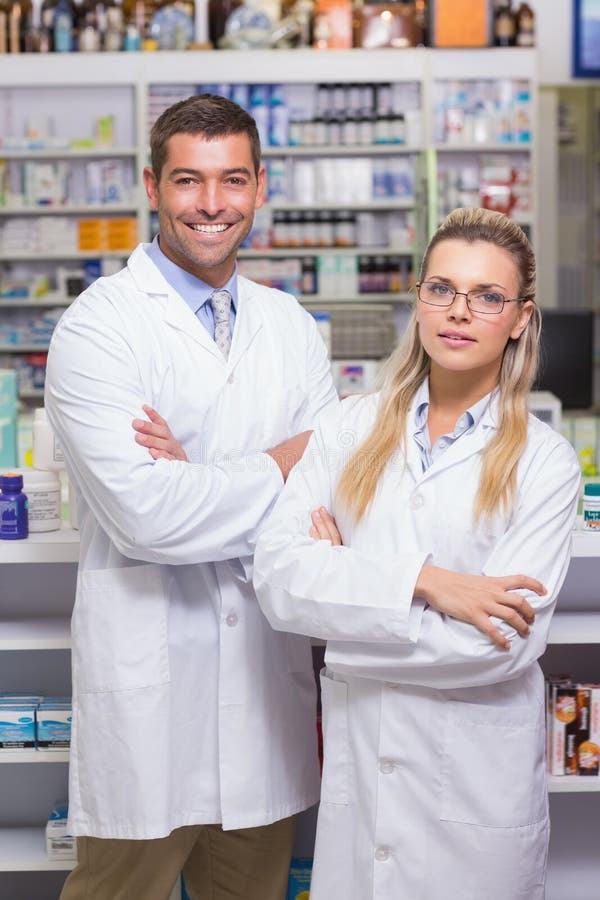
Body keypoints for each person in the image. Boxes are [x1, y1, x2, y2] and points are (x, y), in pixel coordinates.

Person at [44, 93, 337, 900]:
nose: (212, 205)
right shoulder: (98, 328)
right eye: (189, 181)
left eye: (232, 180)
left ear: (259, 186)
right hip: (151, 695)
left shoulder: (291, 326)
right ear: (152, 184)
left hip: (262, 695)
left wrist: (196, 476)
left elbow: (335, 500)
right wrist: (285, 458)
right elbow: (147, 517)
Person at [252, 207, 581, 900]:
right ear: (419, 299)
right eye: (442, 288)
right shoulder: (346, 428)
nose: (459, 312)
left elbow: (498, 645)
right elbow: (279, 580)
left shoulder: (545, 464)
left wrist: (339, 622)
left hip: (474, 799)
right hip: (364, 787)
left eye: (486, 296)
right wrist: (430, 584)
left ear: (520, 317)